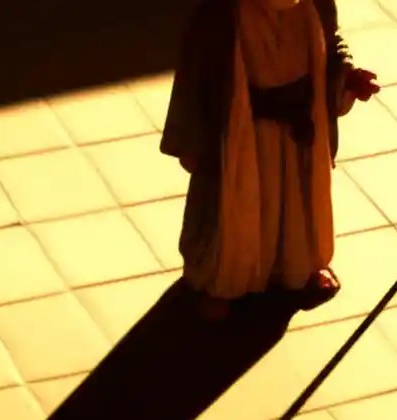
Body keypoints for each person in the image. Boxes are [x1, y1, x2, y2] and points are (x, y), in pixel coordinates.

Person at [162, 0, 379, 320]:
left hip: (298, 128)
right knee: (236, 207)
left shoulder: (313, 4)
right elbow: (196, 73)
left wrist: (347, 76)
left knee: (297, 204)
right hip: (241, 129)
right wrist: (192, 140)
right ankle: (220, 283)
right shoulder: (220, 13)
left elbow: (331, 43)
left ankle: (298, 269)